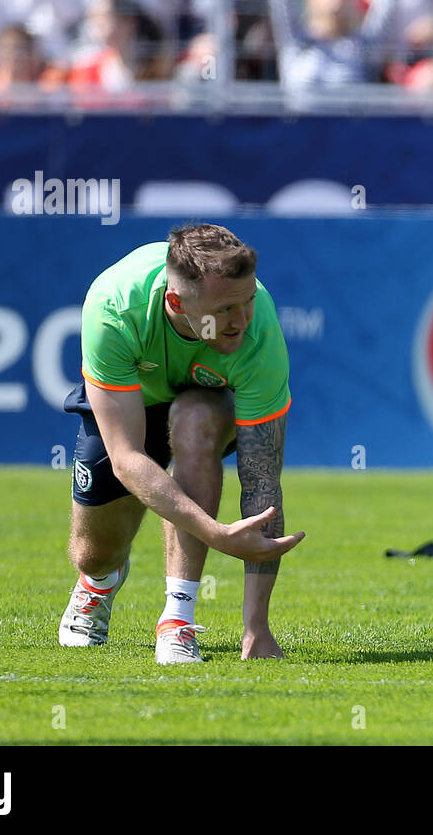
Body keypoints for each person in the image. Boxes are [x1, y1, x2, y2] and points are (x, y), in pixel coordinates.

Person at [58, 224, 303, 665]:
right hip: (134, 400)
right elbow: (127, 457)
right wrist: (216, 533)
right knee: (94, 552)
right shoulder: (114, 306)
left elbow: (262, 479)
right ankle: (98, 581)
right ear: (176, 302)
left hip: (206, 399)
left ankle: (177, 621)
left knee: (194, 423)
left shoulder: (258, 329)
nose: (242, 320)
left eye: (248, 301)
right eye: (226, 309)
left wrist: (257, 629)